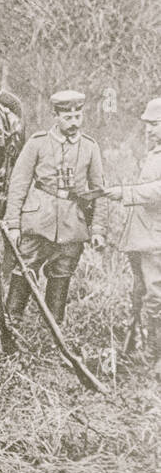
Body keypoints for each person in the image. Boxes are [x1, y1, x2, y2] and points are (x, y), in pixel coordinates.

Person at [2, 89, 105, 323]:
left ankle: (53, 330)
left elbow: (100, 191)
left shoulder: (90, 147)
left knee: (62, 273)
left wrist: (98, 229)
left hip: (72, 224)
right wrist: (13, 224)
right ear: (55, 116)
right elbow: (18, 184)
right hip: (37, 221)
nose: (74, 122)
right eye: (68, 117)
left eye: (78, 116)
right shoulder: (37, 143)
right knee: (24, 268)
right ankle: (11, 325)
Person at [104, 96, 161, 360]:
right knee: (141, 290)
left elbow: (157, 191)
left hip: (155, 239)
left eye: (156, 124)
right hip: (142, 237)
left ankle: (153, 353)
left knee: (155, 293)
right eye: (148, 124)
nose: (150, 129)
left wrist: (125, 193)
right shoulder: (154, 153)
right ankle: (139, 344)